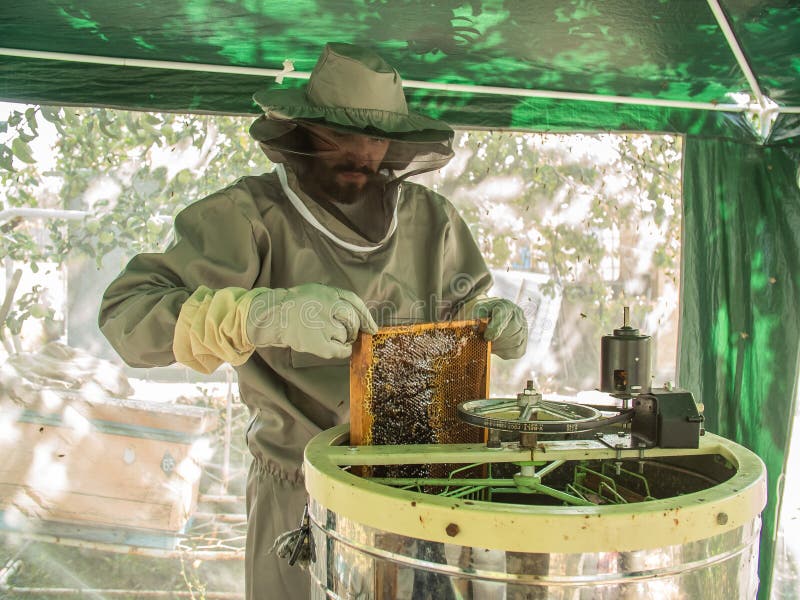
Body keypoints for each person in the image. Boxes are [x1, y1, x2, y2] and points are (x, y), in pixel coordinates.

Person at [99, 42, 528, 600]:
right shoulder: (248, 217)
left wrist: (487, 321)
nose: (361, 152)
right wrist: (260, 314)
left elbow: (456, 315)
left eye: (375, 138)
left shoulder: (431, 219)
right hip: (296, 493)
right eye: (341, 134)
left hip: (418, 492)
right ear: (302, 130)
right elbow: (127, 316)